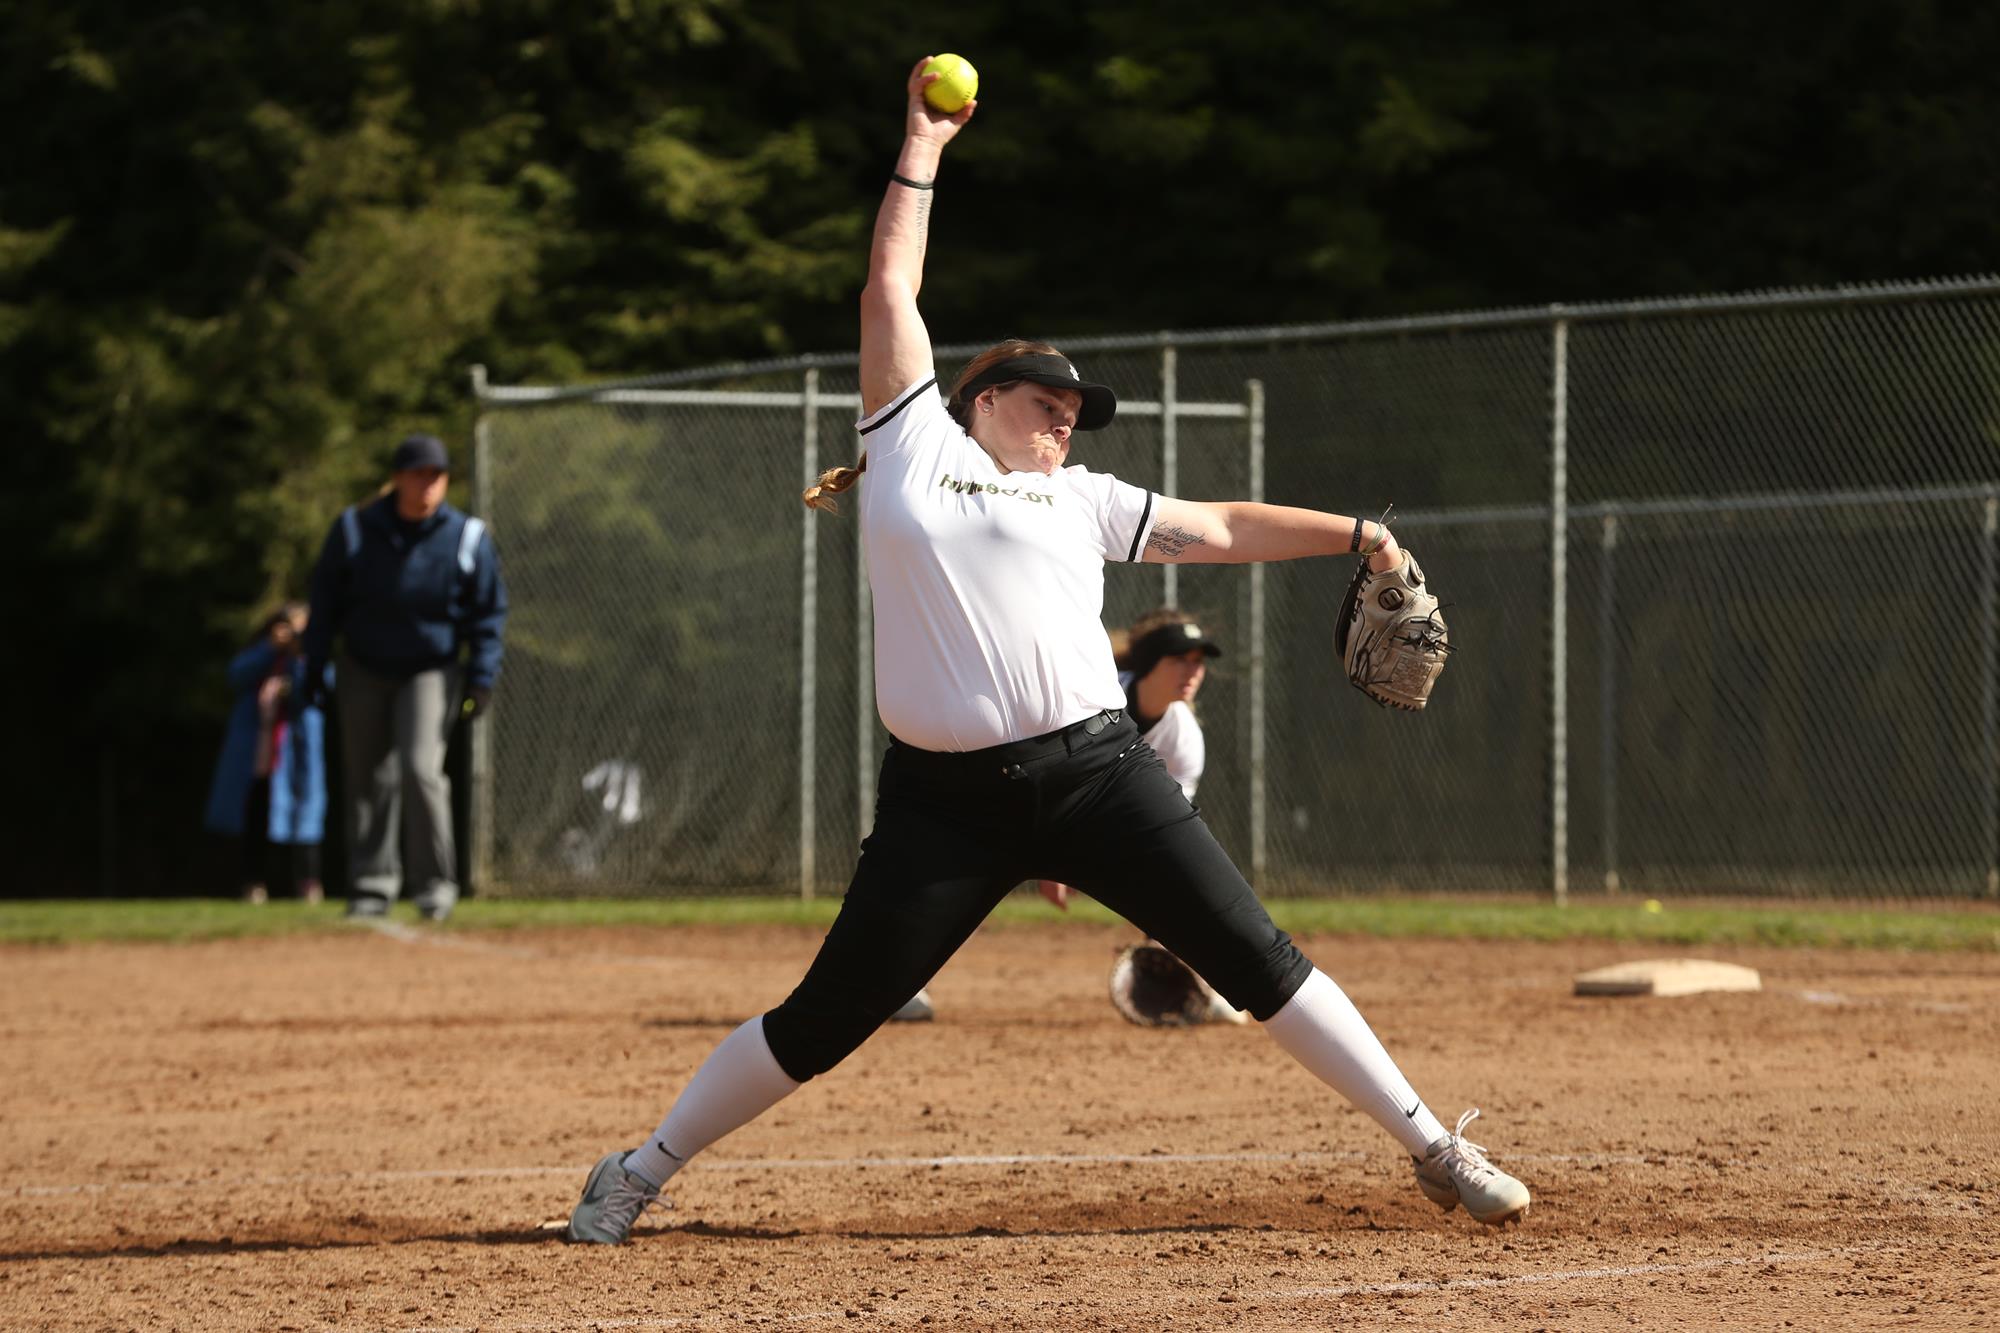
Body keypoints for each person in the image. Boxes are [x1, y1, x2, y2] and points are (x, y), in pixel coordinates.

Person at [566, 57, 1529, 1244]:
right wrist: (922, 145)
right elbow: (886, 284)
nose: (1064, 414)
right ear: (975, 395)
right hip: (942, 806)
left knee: (1255, 958)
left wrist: (1361, 534)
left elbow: (1221, 527)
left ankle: (1434, 1146)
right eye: (1042, 394)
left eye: (1076, 407)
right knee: (826, 1017)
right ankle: (637, 1171)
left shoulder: (1079, 497)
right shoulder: (912, 445)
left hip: (1097, 775)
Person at [301, 433, 508, 923]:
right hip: (362, 667)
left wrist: (481, 678)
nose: (428, 485)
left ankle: (435, 886)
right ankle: (371, 889)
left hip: (430, 670)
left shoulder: (466, 536)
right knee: (368, 780)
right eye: (419, 474)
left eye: (437, 476)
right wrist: (313, 666)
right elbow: (325, 601)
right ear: (397, 478)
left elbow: (488, 612)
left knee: (420, 770)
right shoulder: (354, 529)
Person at [203, 601, 328, 904]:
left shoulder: (309, 659)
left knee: (305, 816)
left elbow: (320, 688)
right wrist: (271, 648)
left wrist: (302, 655)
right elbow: (236, 675)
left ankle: (308, 883)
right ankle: (252, 883)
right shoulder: (260, 656)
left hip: (297, 755)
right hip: (257, 753)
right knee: (254, 814)